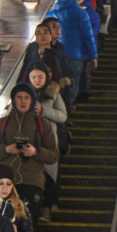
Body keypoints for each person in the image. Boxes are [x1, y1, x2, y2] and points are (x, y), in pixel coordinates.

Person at [0, 81, 59, 217]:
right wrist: (6, 149)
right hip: (5, 182)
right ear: (14, 100)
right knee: (4, 224)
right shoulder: (2, 124)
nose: (23, 101)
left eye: (26, 97)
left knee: (27, 224)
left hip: (32, 182)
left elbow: (54, 155)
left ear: (32, 100)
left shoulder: (43, 125)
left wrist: (35, 151)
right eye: (19, 97)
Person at [26, 65, 69, 215]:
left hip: (49, 140)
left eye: (40, 77)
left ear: (46, 78)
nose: (37, 80)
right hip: (27, 140)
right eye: (34, 77)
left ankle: (47, 207)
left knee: (50, 174)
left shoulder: (53, 94)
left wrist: (44, 111)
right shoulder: (22, 94)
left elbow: (63, 116)